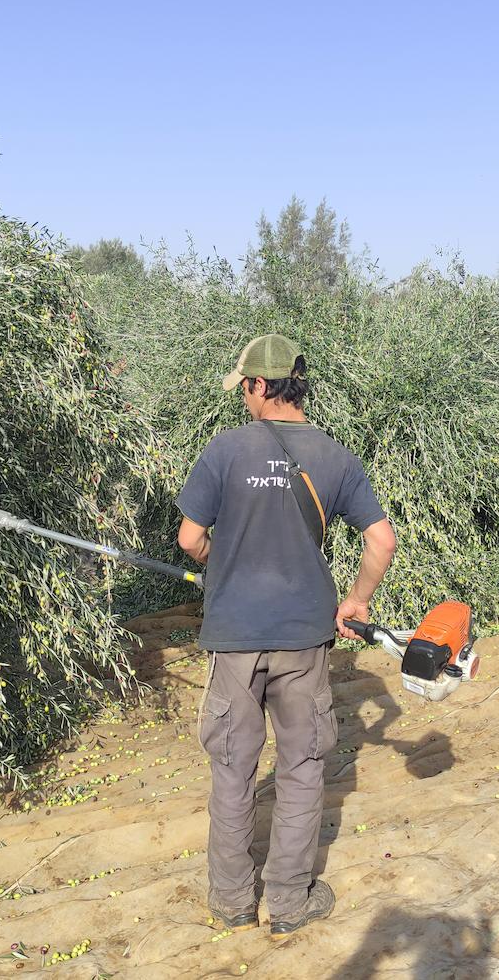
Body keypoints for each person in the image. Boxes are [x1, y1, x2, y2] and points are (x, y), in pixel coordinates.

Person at [176, 334, 397, 938]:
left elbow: (190, 540)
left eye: (244, 388)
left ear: (258, 385)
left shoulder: (225, 450)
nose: (243, 398)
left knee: (232, 767)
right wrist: (357, 600)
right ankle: (290, 903)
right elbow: (381, 541)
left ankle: (232, 901)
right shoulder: (336, 456)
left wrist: (221, 561)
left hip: (235, 636)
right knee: (301, 766)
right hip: (303, 636)